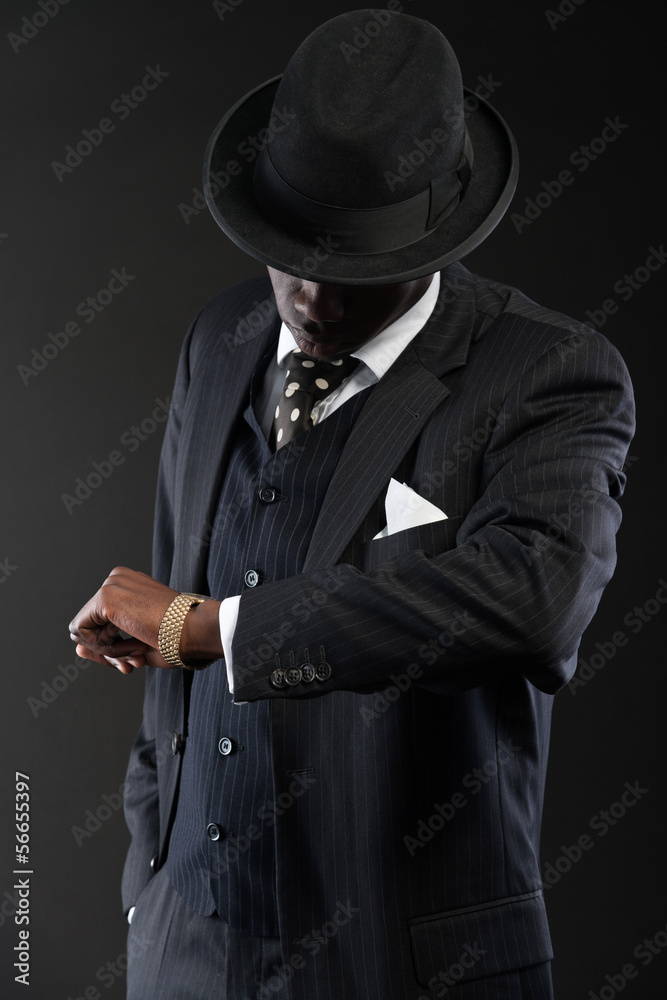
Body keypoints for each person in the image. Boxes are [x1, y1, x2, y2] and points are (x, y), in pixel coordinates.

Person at [69, 9, 635, 999]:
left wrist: (213, 629)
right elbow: (173, 628)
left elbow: (532, 600)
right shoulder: (220, 337)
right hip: (190, 953)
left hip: (405, 962)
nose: (318, 301)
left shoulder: (549, 372)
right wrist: (149, 878)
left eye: (357, 273)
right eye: (294, 257)